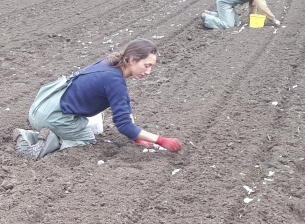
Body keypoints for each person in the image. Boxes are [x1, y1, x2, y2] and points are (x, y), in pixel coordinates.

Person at [14, 39, 182, 159]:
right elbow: (124, 126)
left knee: (85, 121)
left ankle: (35, 134)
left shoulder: (111, 64)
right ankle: (37, 143)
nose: (148, 72)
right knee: (86, 138)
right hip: (51, 117)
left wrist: (137, 135)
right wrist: (161, 140)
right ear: (132, 60)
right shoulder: (115, 81)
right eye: (147, 66)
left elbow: (124, 103)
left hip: (42, 106)